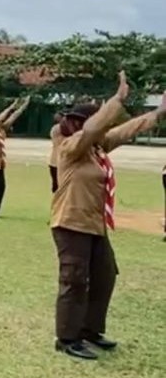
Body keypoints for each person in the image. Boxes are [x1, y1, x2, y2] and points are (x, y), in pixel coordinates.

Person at [51, 71, 165, 360]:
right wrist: (117, 100)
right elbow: (92, 129)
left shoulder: (97, 148)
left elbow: (127, 129)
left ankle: (90, 330)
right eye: (100, 122)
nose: (106, 127)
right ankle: (67, 338)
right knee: (75, 281)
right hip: (71, 224)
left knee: (104, 276)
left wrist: (159, 112)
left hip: (94, 225)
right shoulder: (71, 147)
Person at [0, 96, 31, 217]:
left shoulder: (2, 129)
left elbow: (14, 117)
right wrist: (10, 107)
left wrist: (23, 106)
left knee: (0, 188)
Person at [49, 113, 63, 193]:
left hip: (54, 161)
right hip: (58, 162)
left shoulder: (54, 129)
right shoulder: (57, 128)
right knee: (59, 186)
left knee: (56, 186)